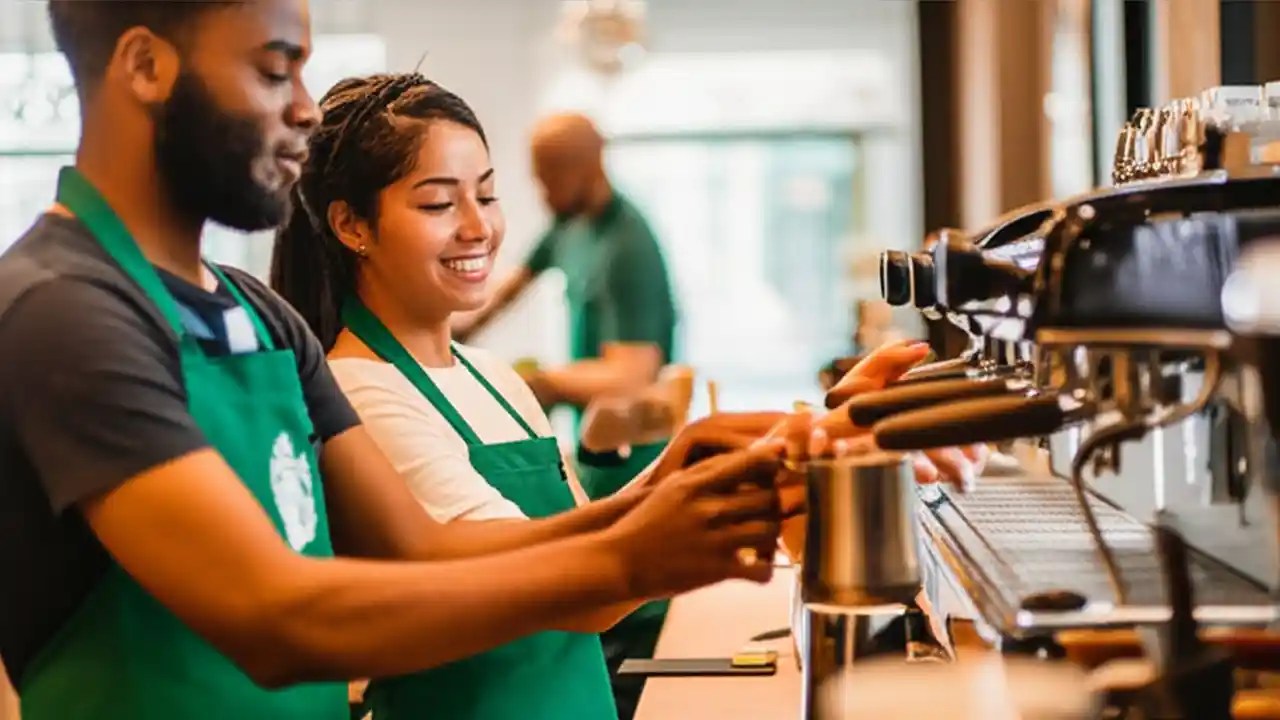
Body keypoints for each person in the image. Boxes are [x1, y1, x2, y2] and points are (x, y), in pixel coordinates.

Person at [0, 4, 799, 718]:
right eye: (275, 70)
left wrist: (694, 475)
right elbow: (276, 618)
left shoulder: (265, 317)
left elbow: (425, 554)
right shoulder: (62, 311)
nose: (306, 109)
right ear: (144, 66)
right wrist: (628, 553)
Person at [269, 71, 987, 720]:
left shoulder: (491, 375)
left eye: (486, 194)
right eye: (437, 203)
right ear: (351, 225)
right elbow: (574, 586)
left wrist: (809, 433)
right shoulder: (360, 389)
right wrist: (731, 461)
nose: (479, 226)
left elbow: (601, 549)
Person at [453, 113, 677, 425]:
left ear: (589, 167)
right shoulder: (568, 223)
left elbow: (632, 376)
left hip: (633, 451)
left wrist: (541, 383)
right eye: (540, 179)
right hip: (589, 438)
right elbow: (505, 292)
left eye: (553, 180)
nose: (543, 193)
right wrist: (446, 332)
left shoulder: (628, 245)